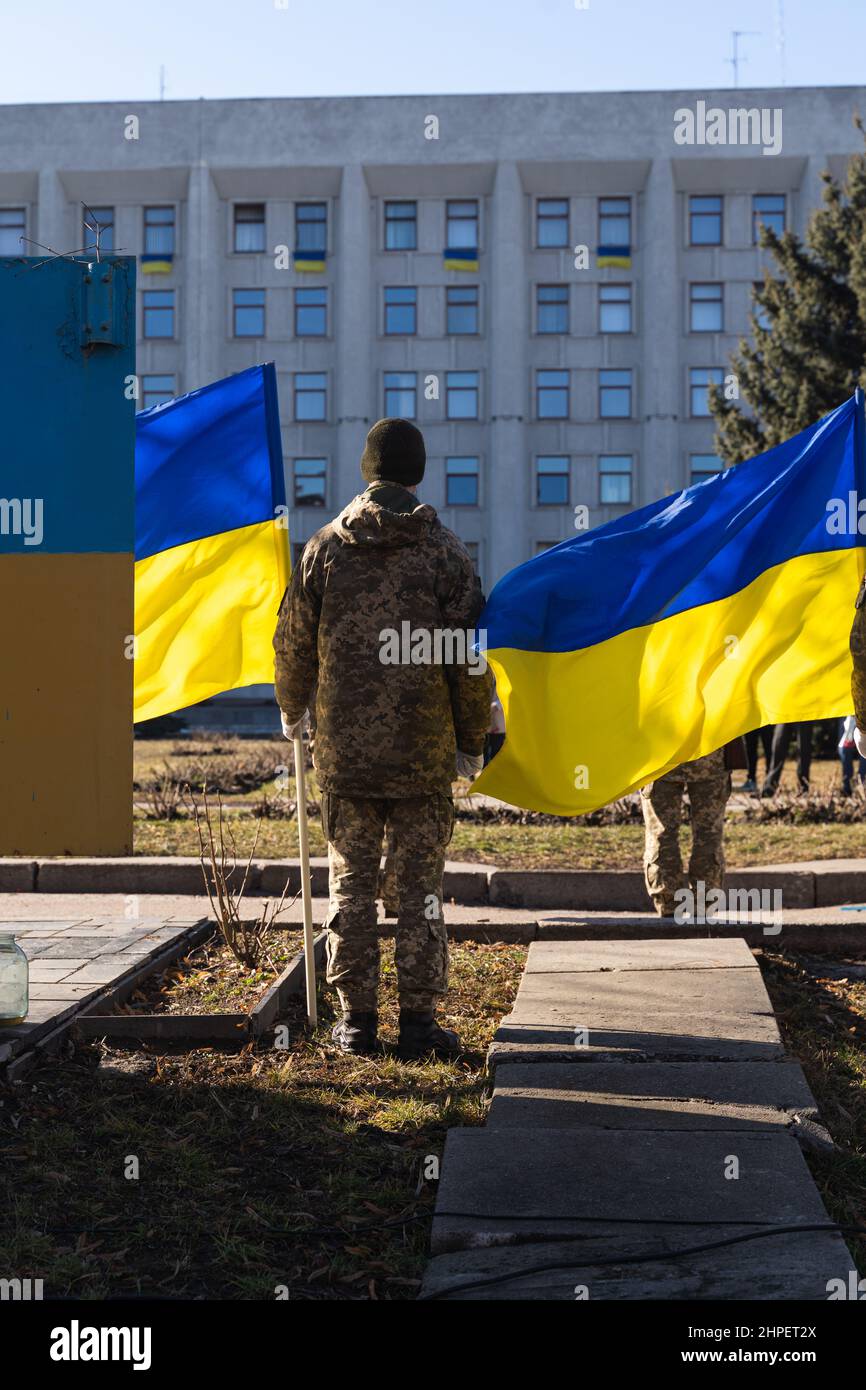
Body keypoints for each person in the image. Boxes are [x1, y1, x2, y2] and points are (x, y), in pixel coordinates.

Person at [273, 418, 493, 1058]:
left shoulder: (323, 550)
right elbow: (469, 658)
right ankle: (420, 1028)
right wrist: (472, 739)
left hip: (346, 758)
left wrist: (293, 709)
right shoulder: (445, 554)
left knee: (353, 888)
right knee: (421, 894)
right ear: (417, 473)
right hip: (422, 757)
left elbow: (292, 645)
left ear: (368, 470)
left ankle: (355, 1026)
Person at [640, 749, 730, 918]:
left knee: (661, 834)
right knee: (708, 834)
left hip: (661, 755)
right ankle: (704, 902)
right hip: (708, 754)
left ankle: (668, 902)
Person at [761, 721, 813, 796]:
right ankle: (769, 788)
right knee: (778, 746)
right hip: (785, 713)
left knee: (803, 748)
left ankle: (803, 788)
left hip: (803, 713)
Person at [737, 725, 773, 793]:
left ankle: (770, 782)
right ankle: (751, 780)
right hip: (751, 720)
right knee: (750, 749)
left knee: (769, 749)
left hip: (766, 718)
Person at [838, 716, 866, 796]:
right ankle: (847, 789)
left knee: (864, 752)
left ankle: (862, 786)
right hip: (846, 711)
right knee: (844, 749)